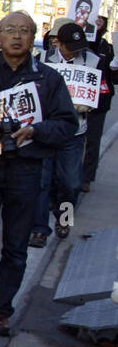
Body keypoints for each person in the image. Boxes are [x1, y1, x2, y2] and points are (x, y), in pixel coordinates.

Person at [0, 11, 78, 336]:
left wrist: (36, 130)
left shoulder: (48, 78)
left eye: (24, 31)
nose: (16, 36)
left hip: (28, 168)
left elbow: (68, 124)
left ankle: (1, 308)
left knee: (16, 245)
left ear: (34, 37)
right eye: (10, 30)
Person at [34, 23, 104, 242]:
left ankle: (64, 219)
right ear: (58, 44)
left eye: (78, 47)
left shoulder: (92, 62)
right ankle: (39, 229)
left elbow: (100, 95)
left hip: (75, 132)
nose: (75, 51)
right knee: (42, 182)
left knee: (71, 182)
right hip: (46, 130)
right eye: (70, 46)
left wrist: (88, 105)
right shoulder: (42, 60)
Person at [83, 14, 115, 192]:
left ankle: (87, 177)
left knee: (93, 141)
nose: (97, 24)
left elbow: (114, 78)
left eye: (101, 21)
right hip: (79, 99)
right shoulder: (80, 46)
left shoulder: (108, 49)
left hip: (99, 100)